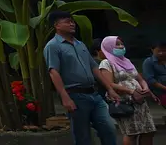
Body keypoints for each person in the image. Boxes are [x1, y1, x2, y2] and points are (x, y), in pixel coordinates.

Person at [44, 10, 118, 145]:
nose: (72, 24)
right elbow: (54, 72)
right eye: (67, 22)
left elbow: (94, 68)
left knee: (108, 128)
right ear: (56, 25)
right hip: (75, 95)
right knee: (82, 136)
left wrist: (109, 88)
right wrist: (64, 97)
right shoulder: (53, 46)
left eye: (72, 21)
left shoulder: (80, 44)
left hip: (94, 94)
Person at [97, 36, 156, 145]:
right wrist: (130, 91)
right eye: (117, 44)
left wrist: (145, 87)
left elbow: (139, 78)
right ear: (108, 47)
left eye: (121, 44)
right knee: (132, 133)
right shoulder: (106, 63)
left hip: (140, 101)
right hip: (124, 102)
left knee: (148, 130)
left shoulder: (126, 61)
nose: (121, 46)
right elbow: (109, 84)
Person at [141, 40, 166, 106]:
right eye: (159, 51)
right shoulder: (149, 62)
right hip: (158, 90)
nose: (161, 53)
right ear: (152, 50)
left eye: (164, 51)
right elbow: (150, 80)